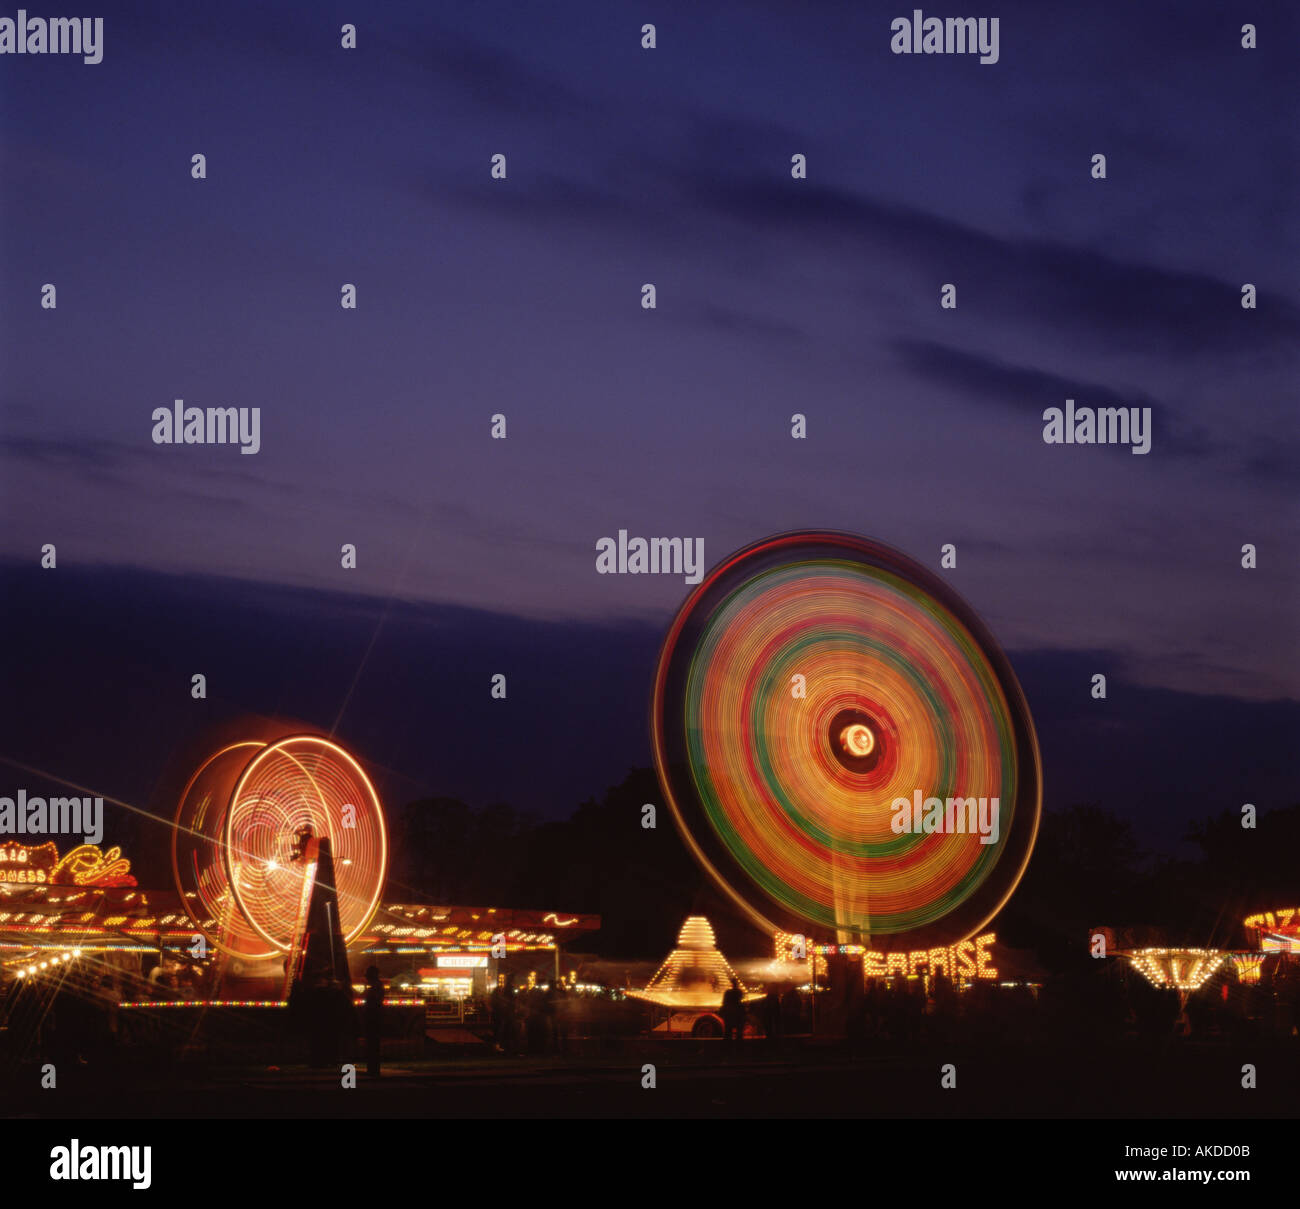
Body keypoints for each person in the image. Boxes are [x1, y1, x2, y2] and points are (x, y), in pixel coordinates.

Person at [363, 965, 384, 1076]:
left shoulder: (375, 988)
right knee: (373, 1045)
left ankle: (373, 1069)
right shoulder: (377, 987)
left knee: (372, 1045)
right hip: (374, 1019)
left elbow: (373, 1002)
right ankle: (373, 1068)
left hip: (373, 1019)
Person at [721, 977, 745, 1048]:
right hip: (738, 1014)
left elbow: (724, 1002)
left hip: (729, 1014)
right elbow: (742, 1000)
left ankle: (727, 1048)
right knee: (739, 1032)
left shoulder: (728, 992)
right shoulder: (739, 992)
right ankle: (738, 1048)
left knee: (728, 1032)